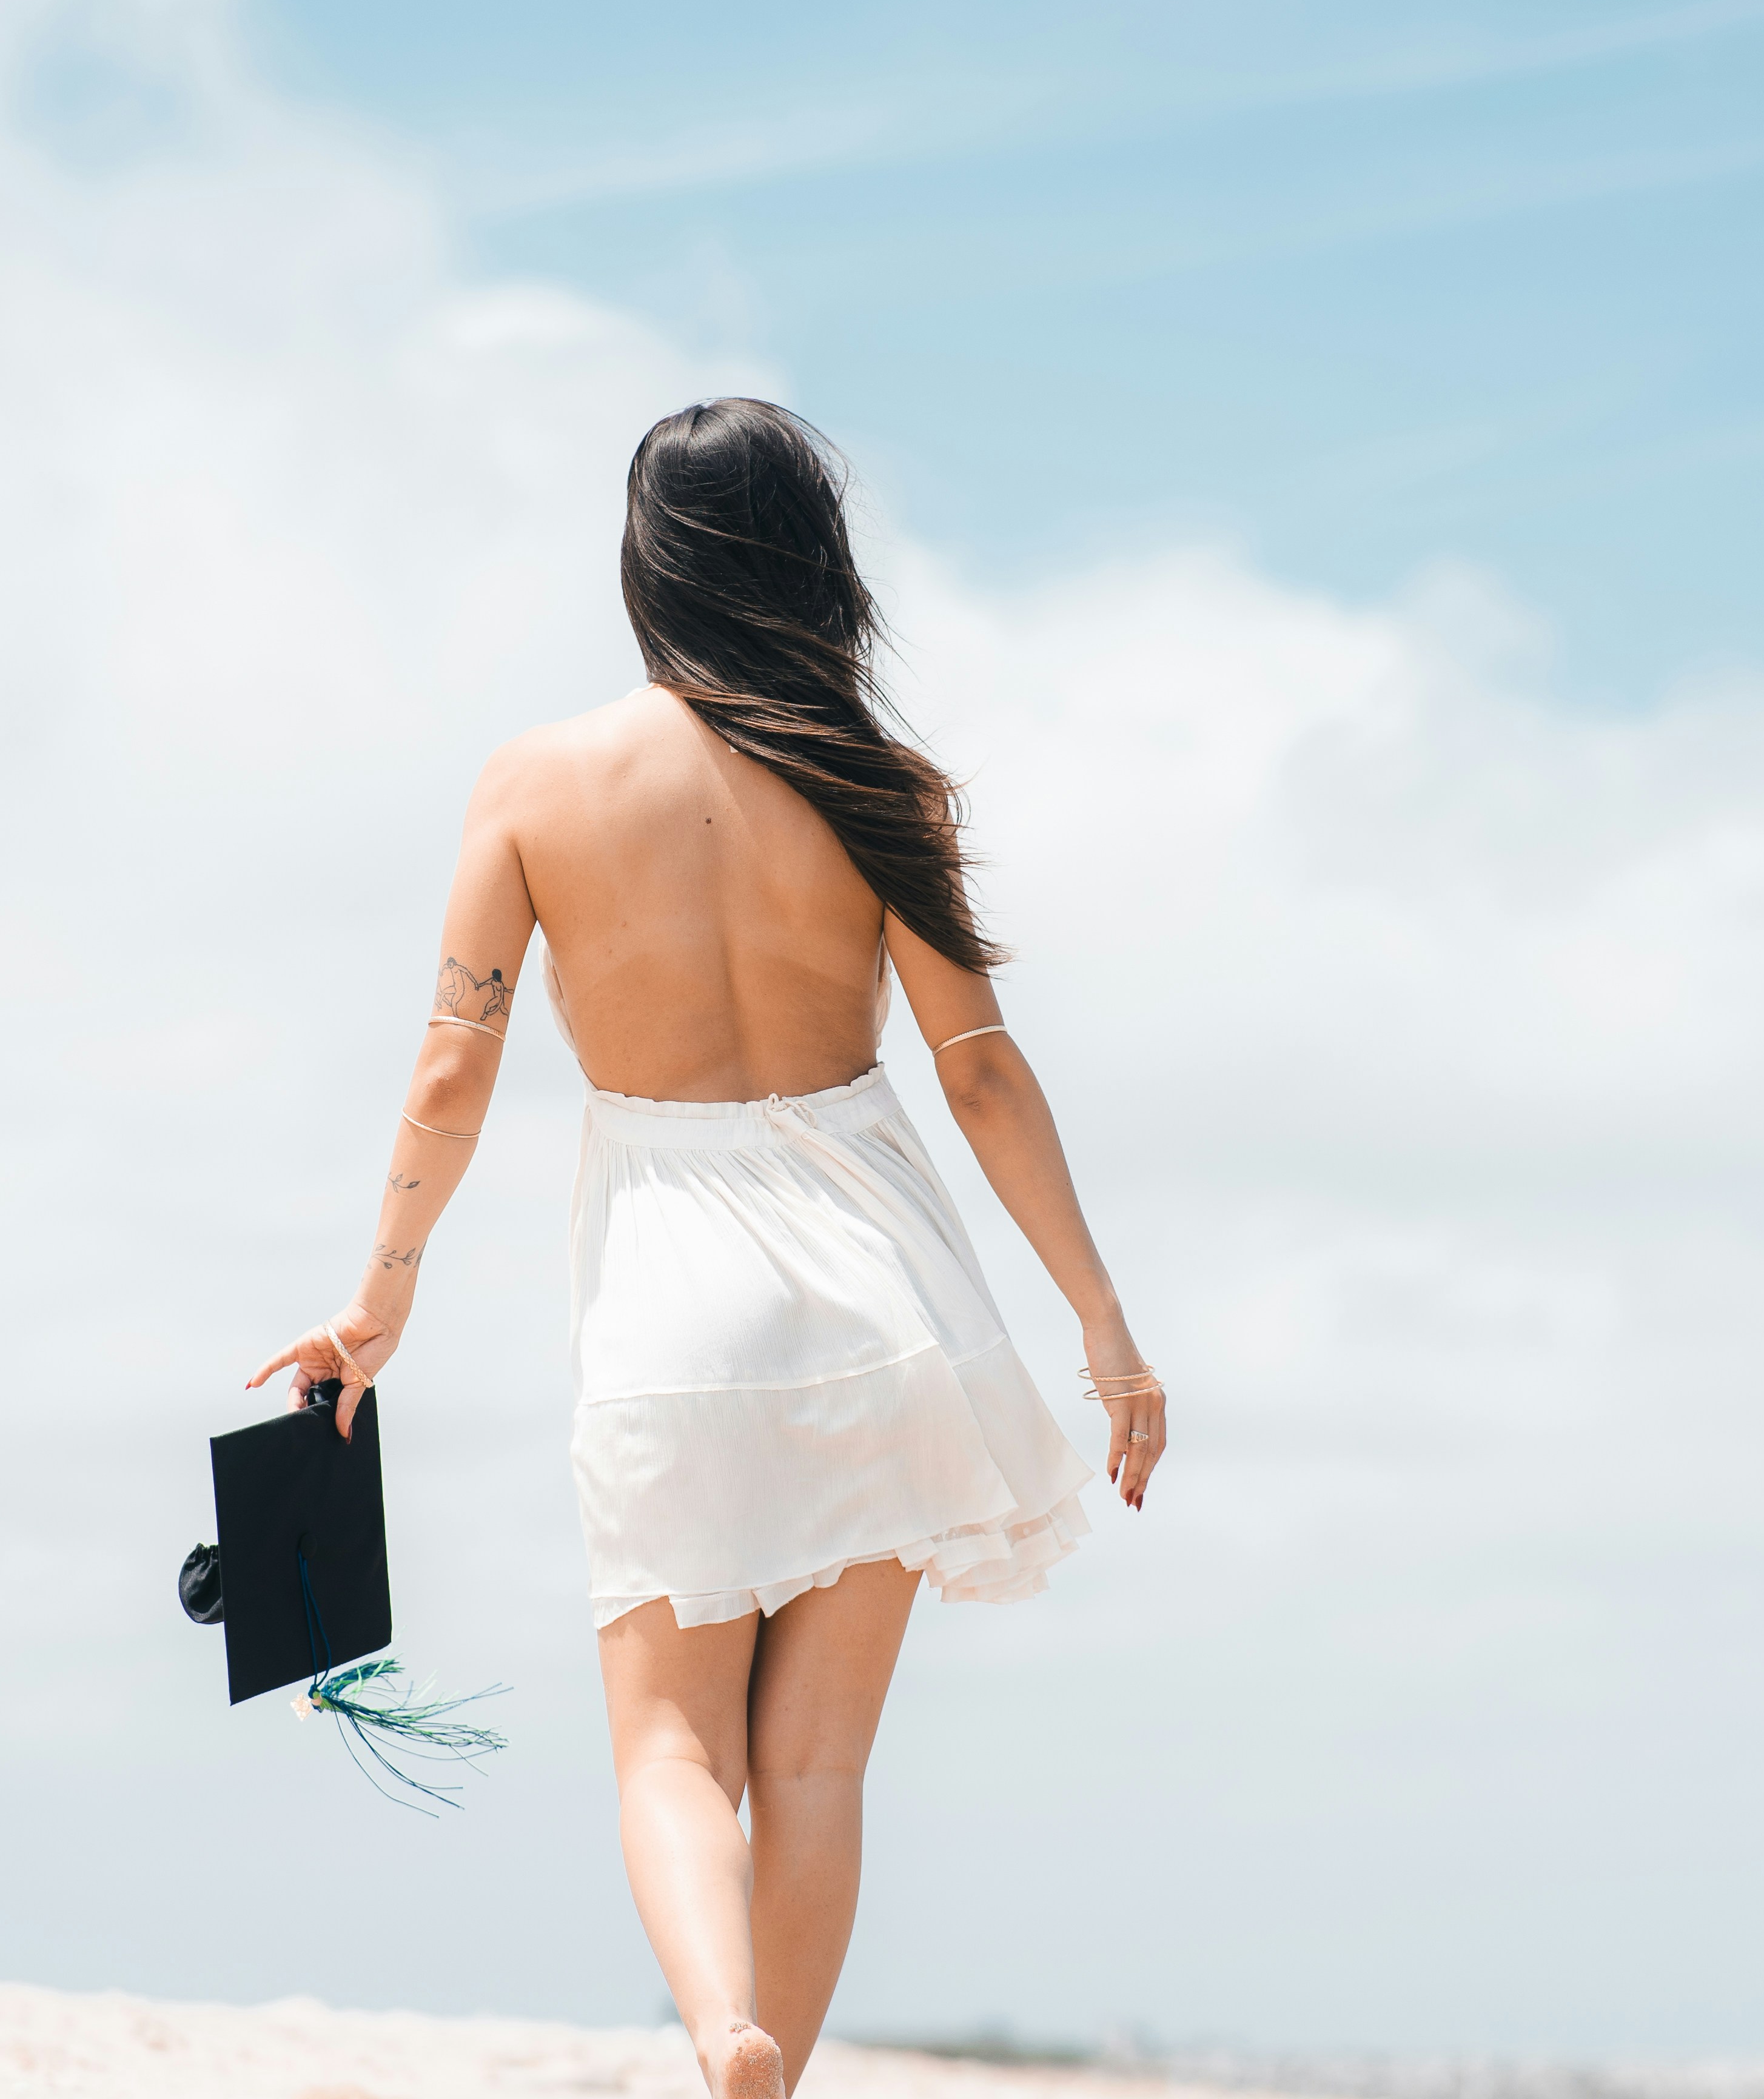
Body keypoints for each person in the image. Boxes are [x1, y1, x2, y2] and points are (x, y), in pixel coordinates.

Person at [251, 399, 1163, 2097]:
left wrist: (374, 1309)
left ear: (645, 564)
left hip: (677, 1302)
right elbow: (979, 1070)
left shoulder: (537, 782)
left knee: (672, 1744)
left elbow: (456, 1065)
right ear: (816, 559)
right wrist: (1102, 1326)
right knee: (815, 1774)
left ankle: (722, 2030)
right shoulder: (879, 782)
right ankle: (772, 2081)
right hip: (889, 1296)